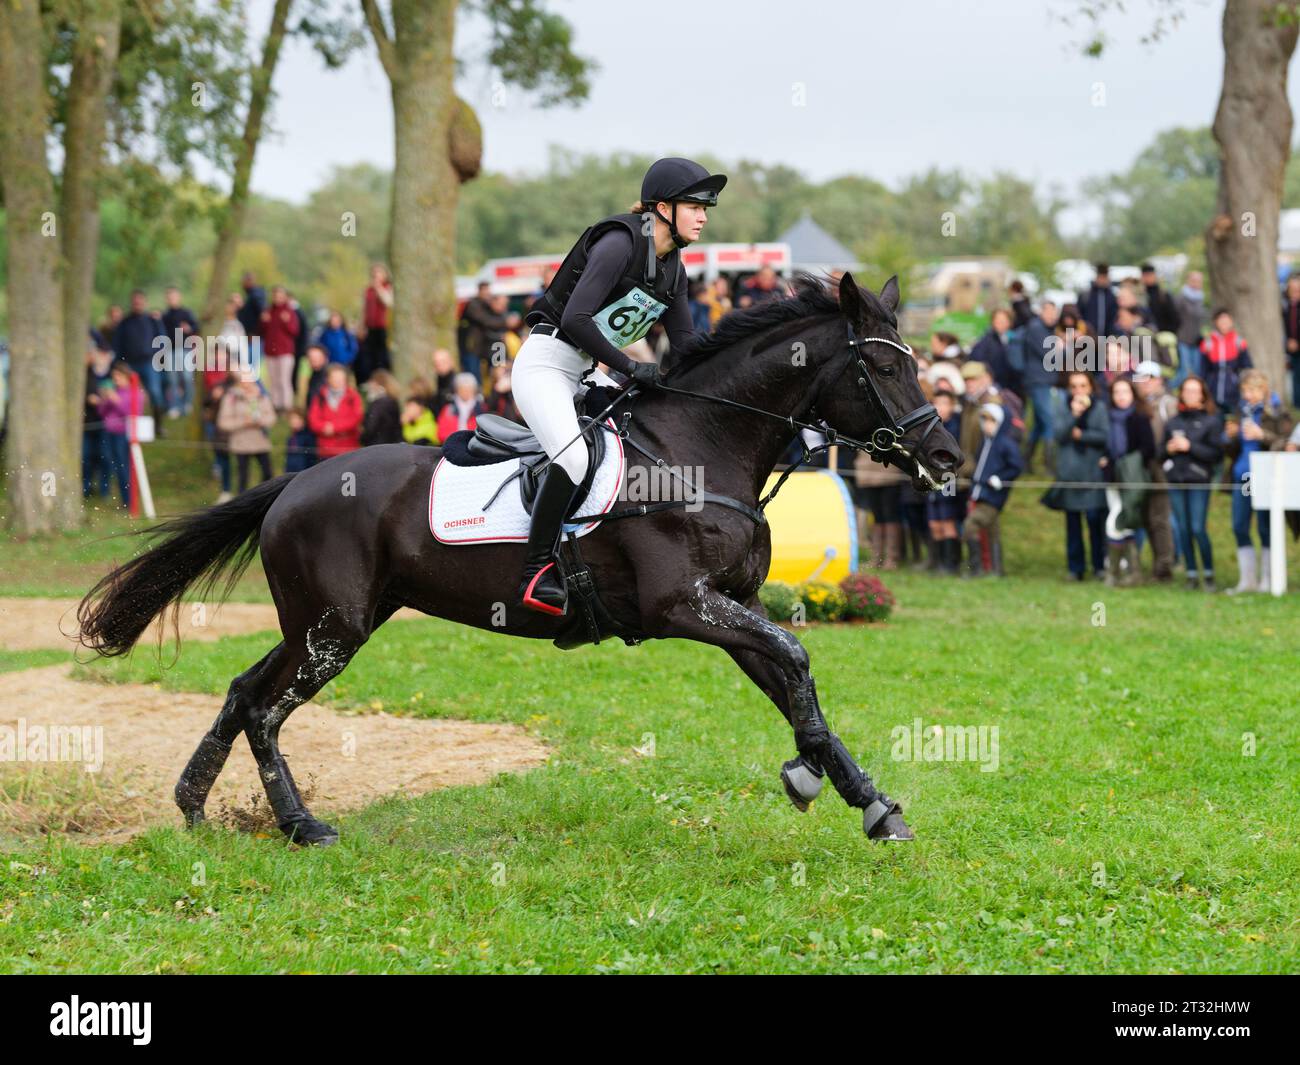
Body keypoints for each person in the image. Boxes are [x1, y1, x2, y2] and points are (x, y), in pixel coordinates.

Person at [513, 157, 724, 615]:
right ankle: (534, 572)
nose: (705, 216)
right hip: (546, 363)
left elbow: (686, 344)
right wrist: (631, 368)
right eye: (696, 206)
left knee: (635, 451)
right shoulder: (619, 242)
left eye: (708, 207)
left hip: (587, 369)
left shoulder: (673, 270)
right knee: (571, 457)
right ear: (663, 207)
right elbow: (576, 318)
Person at [1223, 369, 1294, 593]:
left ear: (1263, 390)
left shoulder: (1277, 413)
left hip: (1266, 474)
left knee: (1265, 525)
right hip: (1243, 476)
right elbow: (1231, 450)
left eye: (1253, 390)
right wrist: (1231, 436)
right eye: (1245, 390)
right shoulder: (1242, 411)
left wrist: (1262, 435)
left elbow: (1287, 443)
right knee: (1240, 524)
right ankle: (1247, 579)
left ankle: (1268, 578)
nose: (1248, 395)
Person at [1046, 371, 1109, 580]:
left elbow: (1104, 436)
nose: (1078, 391)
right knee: (1072, 524)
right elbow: (1059, 435)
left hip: (1092, 474)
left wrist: (1082, 435)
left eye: (1083, 386)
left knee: (1094, 522)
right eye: (1074, 386)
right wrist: (1074, 416)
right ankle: (1076, 568)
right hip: (1070, 474)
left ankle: (1099, 566)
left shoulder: (1099, 408)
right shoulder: (1062, 408)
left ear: (1090, 387)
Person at [1161, 376, 1223, 591]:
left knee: (1198, 528)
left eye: (1195, 391)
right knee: (1183, 529)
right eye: (1187, 390)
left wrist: (1190, 446)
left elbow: (1216, 454)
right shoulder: (1173, 422)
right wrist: (1168, 450)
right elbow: (1159, 453)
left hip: (1198, 481)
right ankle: (1191, 574)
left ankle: (1208, 574)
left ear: (1203, 396)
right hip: (1176, 480)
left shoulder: (1211, 422)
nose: (1190, 395)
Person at [1101, 377, 1155, 586]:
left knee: (1116, 522)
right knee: (1125, 524)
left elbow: (1148, 449)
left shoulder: (1139, 418)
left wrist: (1129, 462)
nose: (1121, 396)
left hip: (1133, 478)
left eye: (1125, 392)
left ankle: (1113, 573)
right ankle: (1133, 572)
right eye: (1117, 392)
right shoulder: (1107, 418)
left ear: (1132, 394)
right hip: (1112, 478)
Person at [963, 402, 1023, 577]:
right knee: (992, 531)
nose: (987, 424)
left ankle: (976, 568)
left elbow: (1016, 466)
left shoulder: (1006, 444)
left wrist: (1001, 478)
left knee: (970, 525)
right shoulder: (984, 442)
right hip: (978, 493)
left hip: (992, 496)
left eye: (992, 421)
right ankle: (995, 569)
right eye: (985, 420)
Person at [1132, 360, 1179, 580]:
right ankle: (1156, 564)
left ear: (1158, 379)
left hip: (1161, 465)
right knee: (1146, 517)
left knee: (1160, 518)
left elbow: (1175, 432)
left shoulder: (1168, 403)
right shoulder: (1136, 403)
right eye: (1140, 378)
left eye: (1148, 378)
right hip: (1141, 466)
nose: (1144, 383)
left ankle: (1165, 566)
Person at [922, 389, 964, 574]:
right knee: (934, 522)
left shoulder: (955, 426)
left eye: (944, 403)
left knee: (948, 520)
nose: (939, 407)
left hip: (949, 478)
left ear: (952, 406)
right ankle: (938, 562)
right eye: (936, 403)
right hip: (932, 476)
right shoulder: (930, 426)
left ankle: (951, 564)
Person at [110, 290, 166, 419]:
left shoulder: (152, 320)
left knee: (154, 391)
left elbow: (162, 340)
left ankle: (158, 424)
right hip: (130, 364)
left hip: (149, 363)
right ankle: (130, 424)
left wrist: (157, 356)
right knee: (129, 394)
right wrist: (120, 363)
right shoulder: (124, 323)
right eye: (135, 302)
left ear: (145, 303)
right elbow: (117, 344)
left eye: (140, 301)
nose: (137, 304)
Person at [217, 372, 277, 493]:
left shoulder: (262, 396)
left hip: (260, 441)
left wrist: (260, 421)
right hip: (241, 443)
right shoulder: (232, 397)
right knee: (242, 477)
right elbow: (223, 422)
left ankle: (264, 496)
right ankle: (243, 502)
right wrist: (243, 422)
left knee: (267, 472)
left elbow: (272, 417)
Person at [1021, 300, 1061, 472]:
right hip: (1038, 382)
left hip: (1042, 382)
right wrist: (1064, 347)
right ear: (1041, 312)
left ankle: (1025, 462)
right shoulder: (1037, 328)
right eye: (1049, 312)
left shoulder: (1044, 329)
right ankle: (1050, 465)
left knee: (1038, 424)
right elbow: (1050, 355)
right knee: (1049, 420)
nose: (1053, 317)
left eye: (1054, 313)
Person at [96, 362, 136, 506]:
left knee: (123, 466)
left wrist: (115, 400)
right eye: (114, 377)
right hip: (108, 433)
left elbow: (131, 413)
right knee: (108, 462)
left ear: (126, 376)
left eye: (118, 376)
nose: (116, 379)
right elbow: (101, 412)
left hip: (122, 434)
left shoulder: (134, 392)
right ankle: (110, 494)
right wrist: (105, 400)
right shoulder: (115, 391)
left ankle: (128, 500)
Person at [307, 364, 364, 459]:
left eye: (341, 378)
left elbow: (356, 418)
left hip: (348, 450)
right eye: (335, 378)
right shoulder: (320, 397)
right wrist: (324, 427)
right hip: (325, 450)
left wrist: (335, 427)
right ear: (328, 379)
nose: (338, 381)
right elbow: (313, 419)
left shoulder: (353, 397)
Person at [1200, 308, 1252, 411]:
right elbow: (1203, 370)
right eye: (1221, 321)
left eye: (1227, 321)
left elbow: (1247, 366)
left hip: (1233, 390)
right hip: (1213, 388)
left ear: (1231, 322)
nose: (1224, 324)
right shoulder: (1208, 343)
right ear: (1215, 322)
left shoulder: (1239, 342)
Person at [260, 285, 300, 412]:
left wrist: (287, 321)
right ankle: (275, 405)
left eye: (280, 296)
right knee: (273, 380)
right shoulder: (268, 312)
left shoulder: (289, 312)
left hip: (285, 351)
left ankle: (287, 406)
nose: (278, 298)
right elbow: (261, 332)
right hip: (270, 352)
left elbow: (295, 331)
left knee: (284, 380)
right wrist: (264, 321)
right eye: (276, 295)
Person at [161, 285, 199, 418]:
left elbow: (196, 326)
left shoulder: (186, 313)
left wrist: (189, 328)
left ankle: (187, 403)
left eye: (174, 296)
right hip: (170, 351)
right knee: (172, 380)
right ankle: (174, 406)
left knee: (188, 378)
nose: (172, 299)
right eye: (169, 297)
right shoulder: (164, 316)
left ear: (179, 297)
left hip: (185, 349)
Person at [969, 308, 1019, 396]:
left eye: (1004, 320)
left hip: (1007, 385)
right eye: (998, 320)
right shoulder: (986, 341)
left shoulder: (1009, 339)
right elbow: (977, 360)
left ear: (1009, 323)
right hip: (994, 386)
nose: (1000, 323)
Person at [356, 264, 393, 384]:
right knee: (368, 358)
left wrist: (379, 288)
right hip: (370, 328)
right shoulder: (368, 290)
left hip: (383, 328)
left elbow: (388, 302)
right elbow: (364, 309)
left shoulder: (387, 288)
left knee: (382, 358)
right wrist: (361, 326)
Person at [1174, 271, 1207, 386]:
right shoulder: (1181, 298)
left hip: (1196, 341)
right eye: (1194, 280)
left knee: (1197, 371)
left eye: (1199, 281)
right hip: (1183, 339)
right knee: (1184, 371)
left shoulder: (1200, 299)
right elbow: (1174, 317)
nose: (1196, 283)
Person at [436, 372, 485, 440]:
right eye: (463, 389)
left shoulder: (481, 409)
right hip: (452, 444)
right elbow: (441, 433)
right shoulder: (449, 409)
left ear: (474, 390)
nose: (466, 392)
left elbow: (484, 432)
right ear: (457, 390)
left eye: (469, 389)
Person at [360, 370, 403, 446]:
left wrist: (362, 438)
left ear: (376, 383)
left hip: (377, 445)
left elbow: (371, 427)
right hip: (391, 444)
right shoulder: (392, 401)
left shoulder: (378, 403)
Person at [1077, 263, 1118, 341]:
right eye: (1100, 277)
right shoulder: (1086, 295)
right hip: (1088, 339)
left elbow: (1114, 318)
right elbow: (1079, 316)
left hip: (1106, 340)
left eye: (1104, 277)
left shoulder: (1112, 297)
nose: (1102, 280)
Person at [1141, 263, 1181, 335]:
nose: (1147, 278)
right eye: (1145, 275)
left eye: (1149, 275)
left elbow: (1175, 319)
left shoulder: (1163, 296)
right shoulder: (1141, 295)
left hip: (1162, 336)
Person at [1282, 273, 1300, 407]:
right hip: (1291, 349)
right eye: (1292, 289)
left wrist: (1296, 341)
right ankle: (1296, 404)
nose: (1294, 292)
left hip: (1297, 345)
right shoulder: (1287, 306)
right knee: (1295, 378)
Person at [283, 408, 317, 473]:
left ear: (303, 420)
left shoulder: (307, 437)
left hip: (303, 472)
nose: (294, 421)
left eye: (297, 418)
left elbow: (310, 458)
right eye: (292, 419)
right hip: (290, 471)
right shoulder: (290, 438)